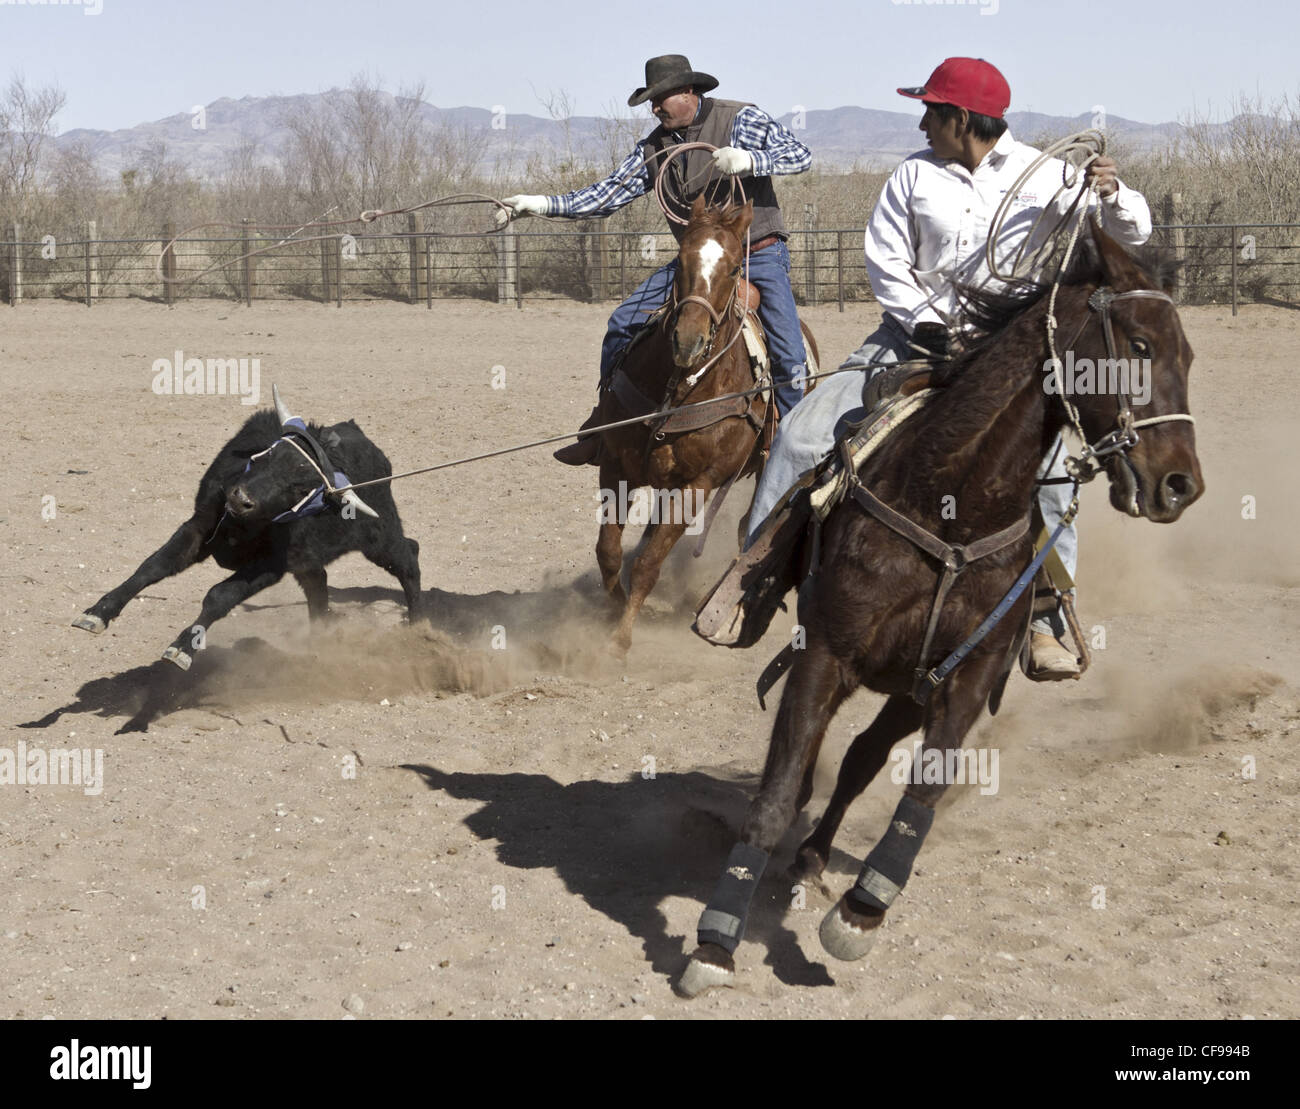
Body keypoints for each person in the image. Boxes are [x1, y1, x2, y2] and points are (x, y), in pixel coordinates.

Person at [745, 57, 1153, 680]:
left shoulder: (1048, 177)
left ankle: (1045, 621)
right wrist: (925, 320)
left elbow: (1135, 231)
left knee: (1049, 475)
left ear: (959, 117)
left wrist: (1113, 193)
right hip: (913, 335)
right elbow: (885, 259)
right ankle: (756, 581)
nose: (922, 125)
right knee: (801, 436)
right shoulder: (912, 176)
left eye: (929, 111)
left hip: (1009, 348)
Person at [494, 54, 812, 465]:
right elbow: (607, 194)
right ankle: (603, 426)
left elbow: (800, 155)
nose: (655, 107)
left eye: (661, 97)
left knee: (789, 353)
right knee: (623, 322)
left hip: (758, 252)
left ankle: (793, 445)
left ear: (688, 92)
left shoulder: (740, 119)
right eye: (651, 100)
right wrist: (538, 204)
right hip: (695, 261)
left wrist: (753, 160)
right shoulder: (654, 147)